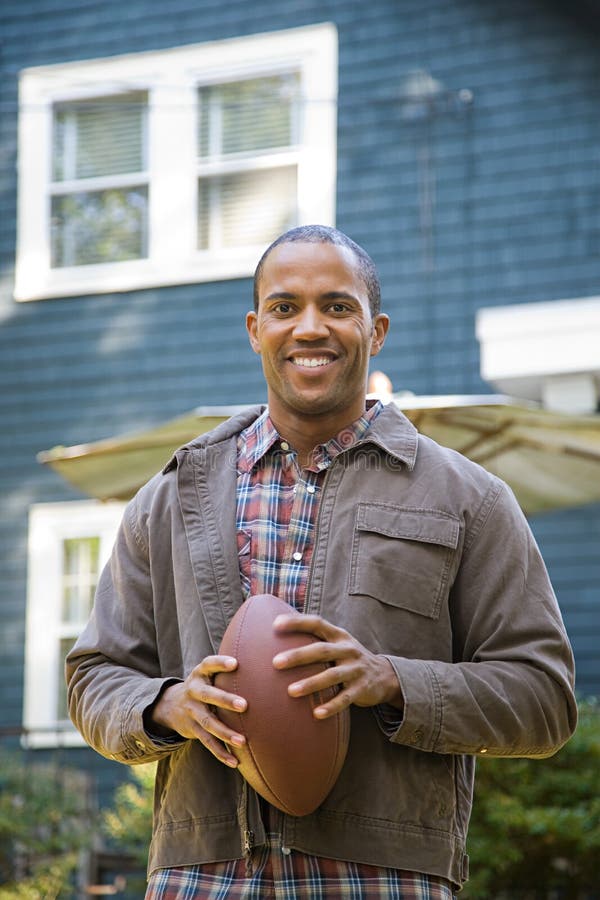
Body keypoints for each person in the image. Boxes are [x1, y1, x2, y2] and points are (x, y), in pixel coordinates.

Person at [67, 224, 577, 898]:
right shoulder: (174, 495)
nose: (310, 328)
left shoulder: (467, 499)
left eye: (337, 306)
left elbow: (545, 699)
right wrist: (166, 705)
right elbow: (94, 677)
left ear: (378, 330)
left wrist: (393, 680)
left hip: (385, 876)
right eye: (285, 308)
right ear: (255, 329)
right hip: (205, 876)